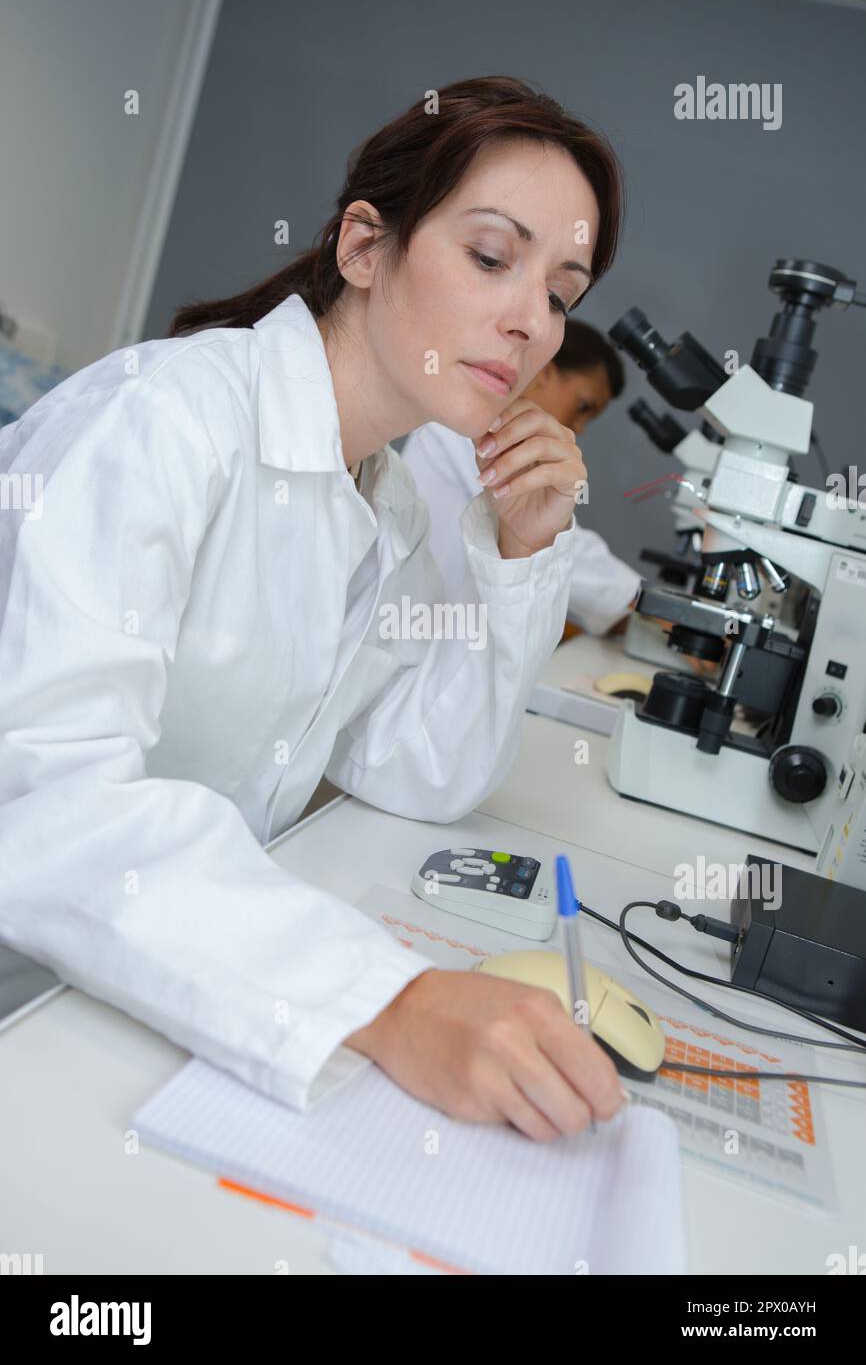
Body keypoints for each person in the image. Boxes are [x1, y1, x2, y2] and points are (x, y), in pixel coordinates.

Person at [0, 76, 628, 1142]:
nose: (530, 323)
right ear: (362, 248)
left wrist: (526, 552)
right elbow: (40, 804)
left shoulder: (384, 500)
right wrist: (390, 1000)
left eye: (561, 291)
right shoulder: (161, 422)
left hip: (137, 988)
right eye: (490, 257)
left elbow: (417, 768)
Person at [402, 321, 642, 636]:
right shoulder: (470, 429)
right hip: (412, 634)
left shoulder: (504, 439)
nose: (580, 427)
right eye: (583, 406)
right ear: (545, 371)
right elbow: (555, 543)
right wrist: (640, 599)